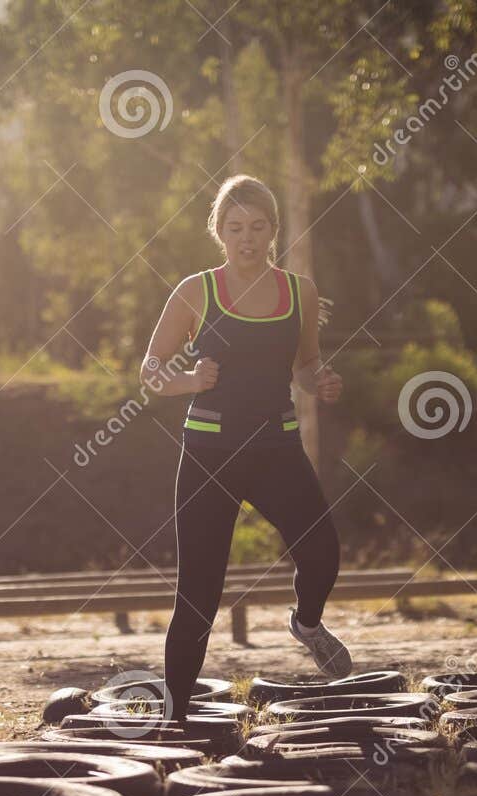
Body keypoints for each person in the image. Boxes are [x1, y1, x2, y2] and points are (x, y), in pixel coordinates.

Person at [140, 174, 352, 722]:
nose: (247, 238)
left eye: (258, 227)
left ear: (273, 230)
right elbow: (151, 370)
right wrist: (190, 380)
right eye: (235, 228)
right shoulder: (195, 290)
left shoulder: (297, 291)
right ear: (219, 231)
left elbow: (304, 364)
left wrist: (319, 380)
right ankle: (176, 719)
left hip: (277, 448)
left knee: (323, 551)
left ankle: (306, 624)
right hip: (209, 454)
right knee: (198, 595)